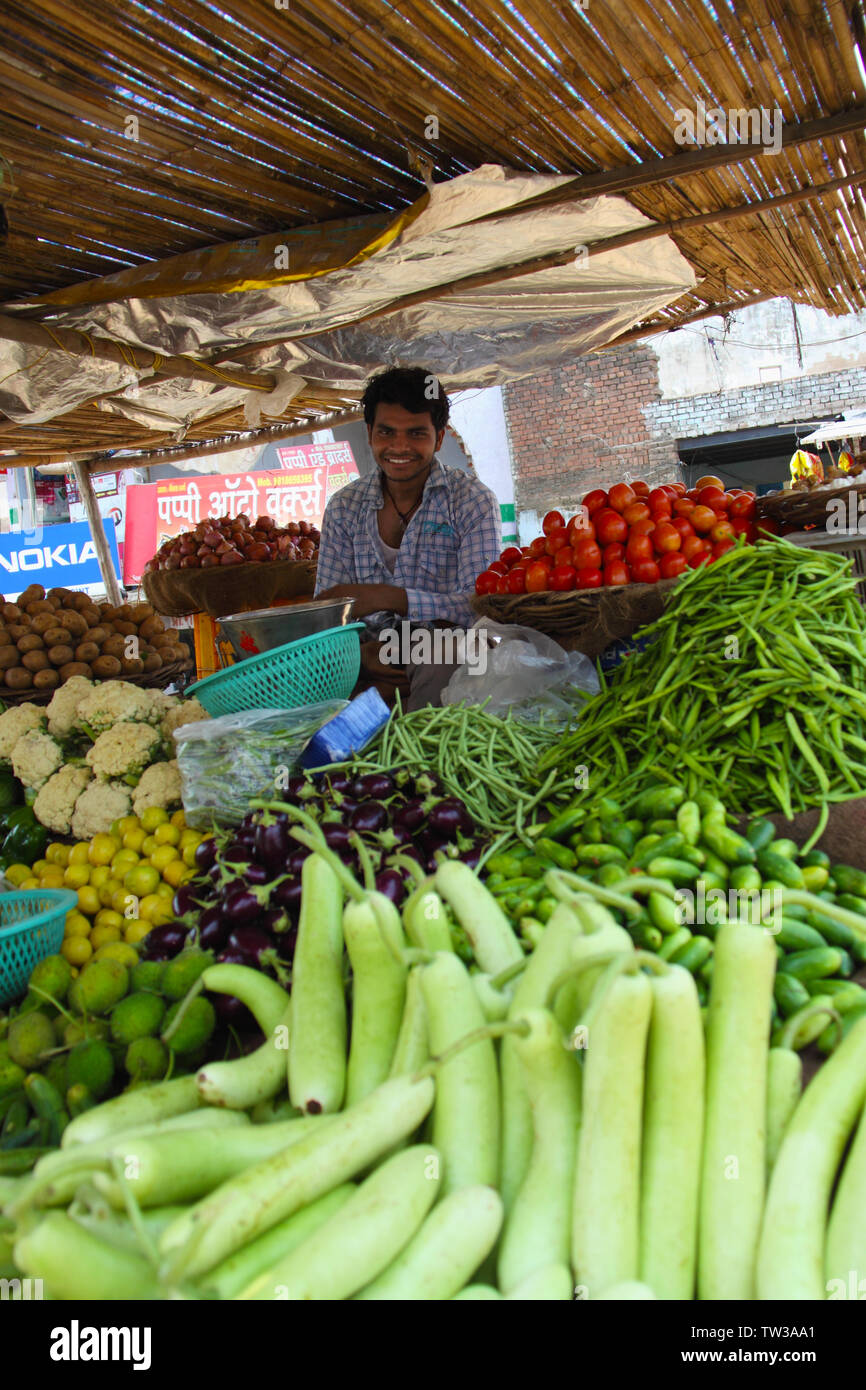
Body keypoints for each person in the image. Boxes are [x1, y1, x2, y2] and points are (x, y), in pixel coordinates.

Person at [315, 366, 501, 707]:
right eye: (387, 432)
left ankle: (425, 758)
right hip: (371, 653)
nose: (399, 447)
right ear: (370, 433)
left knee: (441, 657)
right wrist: (365, 655)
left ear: (439, 437)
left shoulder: (472, 500)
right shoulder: (344, 508)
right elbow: (328, 614)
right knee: (316, 665)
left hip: (452, 654)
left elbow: (480, 608)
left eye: (416, 433)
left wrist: (389, 597)